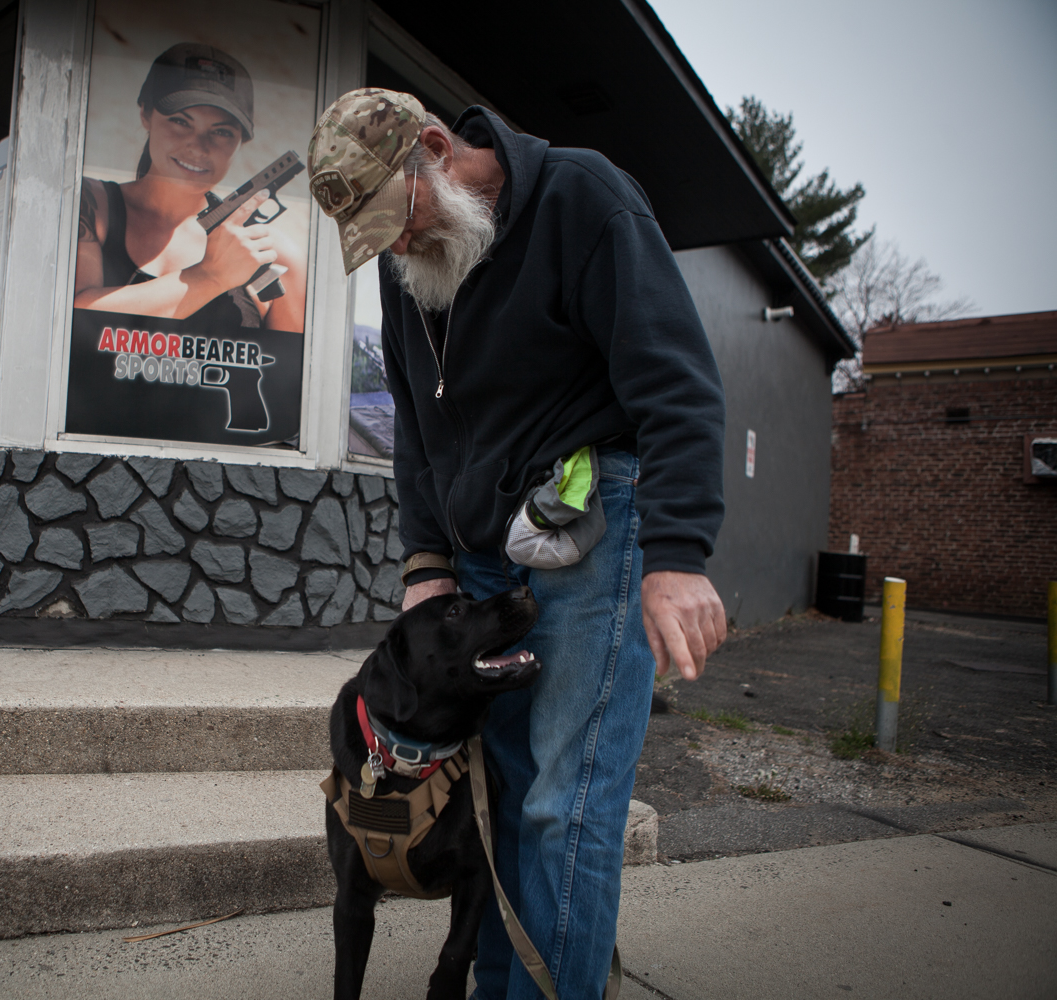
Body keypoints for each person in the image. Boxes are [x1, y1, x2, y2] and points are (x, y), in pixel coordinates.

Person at [307, 89, 729, 1000]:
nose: (394, 247)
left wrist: (678, 556)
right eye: (375, 237)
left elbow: (678, 384)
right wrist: (427, 564)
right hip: (481, 555)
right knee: (495, 808)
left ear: (434, 149)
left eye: (396, 218)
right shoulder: (410, 263)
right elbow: (418, 430)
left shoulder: (582, 199)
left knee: (559, 807)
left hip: (593, 526)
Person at [74, 43, 306, 333]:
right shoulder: (90, 205)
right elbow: (70, 325)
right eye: (181, 121)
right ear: (145, 113)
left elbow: (287, 374)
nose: (198, 146)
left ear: (241, 142)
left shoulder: (276, 256)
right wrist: (211, 276)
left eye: (222, 131)